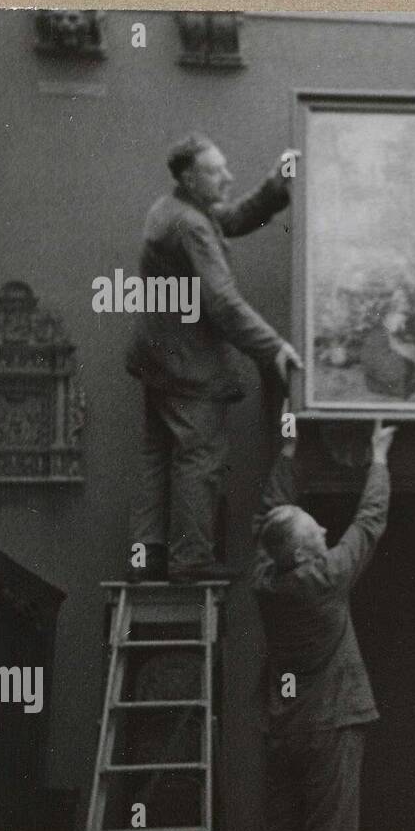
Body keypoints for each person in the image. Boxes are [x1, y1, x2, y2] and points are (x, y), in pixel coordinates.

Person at [126, 133, 304, 583]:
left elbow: (232, 218)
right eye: (215, 170)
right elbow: (222, 303)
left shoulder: (175, 209)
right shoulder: (190, 225)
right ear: (189, 177)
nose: (227, 176)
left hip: (160, 359)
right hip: (188, 366)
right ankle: (191, 564)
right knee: (198, 459)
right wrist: (275, 348)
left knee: (159, 455)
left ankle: (147, 556)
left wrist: (275, 185)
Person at [252, 420, 396, 831]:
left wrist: (288, 449)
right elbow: (368, 522)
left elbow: (268, 517)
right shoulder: (326, 579)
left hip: (284, 725)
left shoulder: (264, 580)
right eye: (315, 530)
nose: (325, 530)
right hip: (332, 724)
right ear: (301, 552)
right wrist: (380, 457)